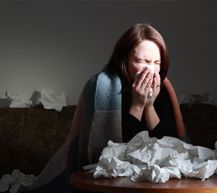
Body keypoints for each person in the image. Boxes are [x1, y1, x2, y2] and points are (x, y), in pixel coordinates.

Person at [28, 23, 185, 193]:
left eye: (156, 62)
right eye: (141, 61)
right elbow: (111, 154)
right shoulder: (101, 87)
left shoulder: (163, 89)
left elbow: (170, 147)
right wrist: (137, 105)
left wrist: (149, 105)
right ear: (125, 60)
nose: (151, 69)